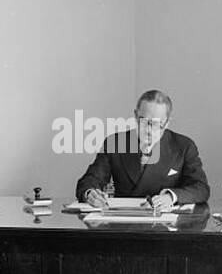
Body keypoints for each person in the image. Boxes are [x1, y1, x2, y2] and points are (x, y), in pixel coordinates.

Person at [75, 90, 210, 211]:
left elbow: (201, 188)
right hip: (123, 223)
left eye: (156, 124)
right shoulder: (116, 143)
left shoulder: (183, 146)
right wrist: (90, 193)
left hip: (166, 227)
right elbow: (90, 179)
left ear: (167, 122)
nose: (149, 130)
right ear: (135, 115)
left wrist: (171, 197)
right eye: (144, 121)